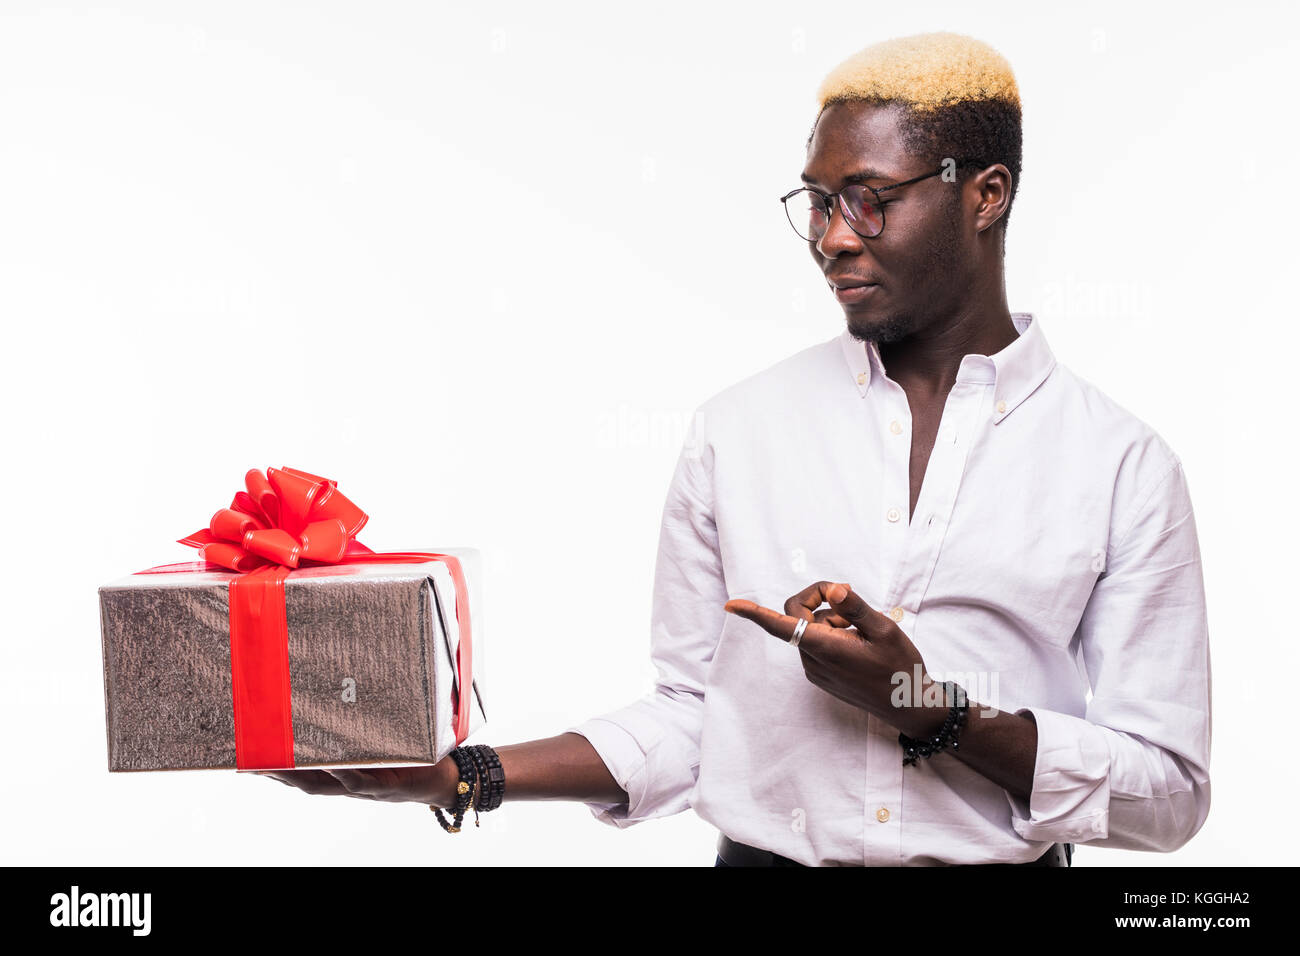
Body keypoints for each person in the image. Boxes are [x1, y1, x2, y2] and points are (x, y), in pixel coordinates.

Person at [263, 31, 1212, 867]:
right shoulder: (740, 429)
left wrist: (933, 711)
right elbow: (694, 713)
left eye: (871, 199)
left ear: (986, 194)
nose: (834, 239)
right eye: (819, 201)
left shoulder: (1122, 467)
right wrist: (460, 776)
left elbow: (1169, 794)